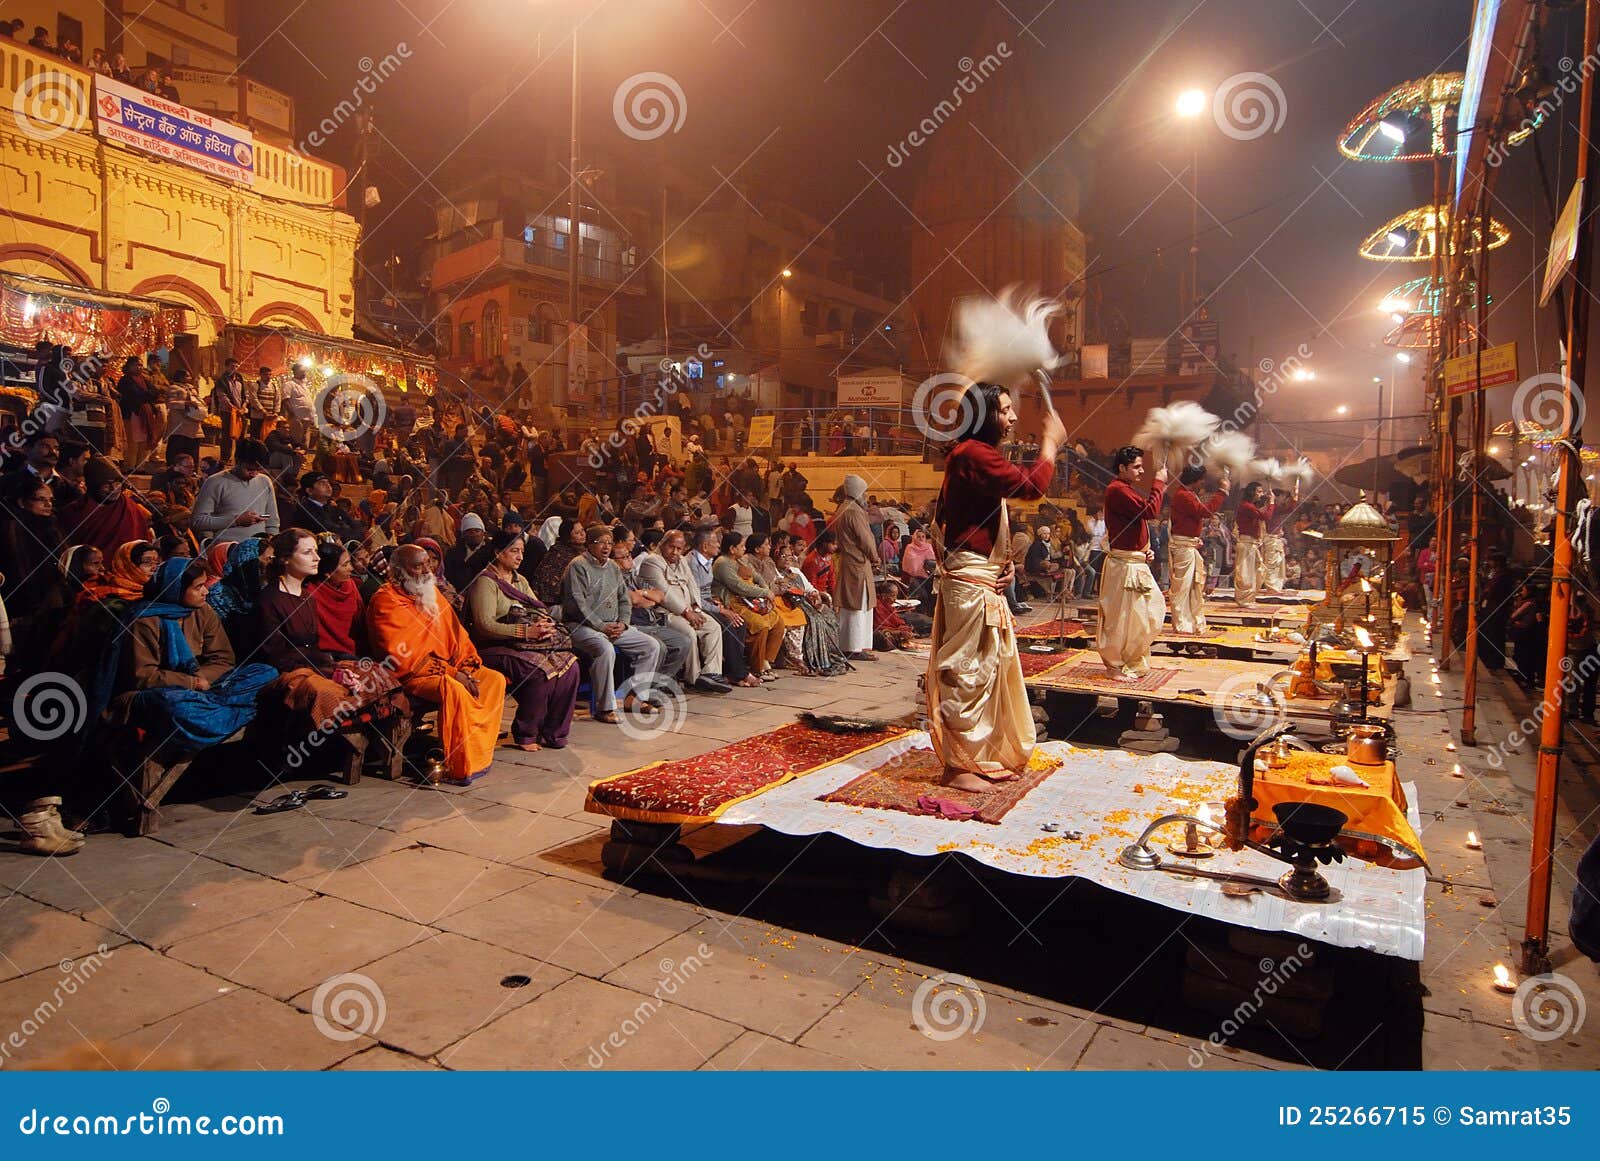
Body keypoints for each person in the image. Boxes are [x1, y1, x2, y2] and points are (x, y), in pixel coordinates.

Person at [929, 381, 1062, 790]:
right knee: (966, 671)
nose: (1013, 417)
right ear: (986, 415)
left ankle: (976, 755)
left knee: (987, 667)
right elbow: (1030, 487)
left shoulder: (972, 455)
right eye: (1005, 410)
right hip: (970, 580)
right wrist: (1051, 444)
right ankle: (957, 766)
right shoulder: (973, 453)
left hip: (977, 575)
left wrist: (1000, 566)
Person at [367, 543, 507, 784]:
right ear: (400, 571)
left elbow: (458, 636)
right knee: (454, 689)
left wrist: (465, 666)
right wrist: (454, 674)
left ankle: (479, 753)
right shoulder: (386, 600)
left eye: (428, 564)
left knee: (494, 680)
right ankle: (459, 761)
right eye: (418, 566)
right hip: (412, 676)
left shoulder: (432, 594)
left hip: (449, 668)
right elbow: (401, 656)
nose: (426, 570)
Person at [111, 557, 278, 754]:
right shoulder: (144, 621)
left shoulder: (203, 610)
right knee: (176, 706)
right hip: (159, 692)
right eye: (198, 587)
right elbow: (143, 676)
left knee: (265, 672)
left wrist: (202, 679)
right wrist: (192, 684)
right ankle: (223, 713)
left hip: (208, 685)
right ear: (175, 590)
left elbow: (223, 659)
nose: (205, 592)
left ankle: (214, 713)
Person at [465, 529, 580, 751]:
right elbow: (484, 625)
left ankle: (554, 733)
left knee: (571, 666)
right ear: (498, 553)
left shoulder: (520, 580)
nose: (520, 557)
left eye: (522, 551)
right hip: (492, 646)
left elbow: (538, 609)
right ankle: (527, 733)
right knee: (539, 671)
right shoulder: (486, 582)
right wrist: (526, 632)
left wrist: (544, 626)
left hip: (524, 643)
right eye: (514, 551)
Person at [561, 524, 666, 722]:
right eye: (601, 542)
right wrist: (601, 626)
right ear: (590, 545)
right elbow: (578, 603)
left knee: (651, 645)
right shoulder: (578, 565)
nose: (606, 547)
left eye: (609, 543)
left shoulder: (612, 567)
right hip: (580, 625)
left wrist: (624, 623)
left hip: (614, 626)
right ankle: (605, 707)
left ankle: (635, 697)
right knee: (605, 649)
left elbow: (624, 599)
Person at [1096, 445, 1168, 680]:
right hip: (1123, 565)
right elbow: (1150, 511)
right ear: (1122, 468)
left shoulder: (1126, 489)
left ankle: (1130, 659)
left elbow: (1138, 523)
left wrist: (1143, 552)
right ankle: (1114, 666)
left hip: (1133, 562)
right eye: (1136, 466)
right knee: (1121, 618)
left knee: (1144, 615)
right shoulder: (1117, 490)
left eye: (1142, 466)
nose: (1141, 470)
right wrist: (1159, 483)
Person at [712, 532, 785, 681]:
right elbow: (738, 586)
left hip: (753, 601)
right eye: (741, 546)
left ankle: (766, 661)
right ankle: (756, 668)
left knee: (778, 622)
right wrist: (764, 592)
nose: (744, 548)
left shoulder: (742, 561)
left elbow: (758, 577)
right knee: (760, 625)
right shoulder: (723, 563)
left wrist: (766, 591)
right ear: (732, 548)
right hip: (734, 603)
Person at [1168, 462, 1228, 634]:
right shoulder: (1183, 495)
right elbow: (1206, 512)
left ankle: (1191, 621)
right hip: (1183, 547)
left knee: (1193, 586)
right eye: (1201, 481)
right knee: (1183, 587)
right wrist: (1222, 492)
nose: (1203, 484)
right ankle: (1181, 623)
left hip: (1189, 544)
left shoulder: (1188, 494)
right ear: (1194, 480)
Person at [57, 455, 153, 559]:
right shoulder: (73, 512)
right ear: (93, 487)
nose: (113, 489)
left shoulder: (130, 508)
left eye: (117, 484)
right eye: (106, 486)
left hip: (127, 570)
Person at [831, 475, 881, 662]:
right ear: (857, 492)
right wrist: (875, 557)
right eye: (864, 492)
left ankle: (853, 646)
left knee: (852, 606)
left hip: (849, 562)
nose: (866, 496)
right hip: (858, 563)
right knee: (857, 606)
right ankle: (854, 648)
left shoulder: (843, 508)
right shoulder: (854, 511)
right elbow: (866, 539)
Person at [191, 439, 279, 543]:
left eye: (258, 470)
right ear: (237, 461)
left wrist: (271, 538)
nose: (254, 474)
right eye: (249, 469)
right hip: (225, 551)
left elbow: (272, 520)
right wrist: (236, 521)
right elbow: (198, 521)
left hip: (258, 551)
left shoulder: (265, 481)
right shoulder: (215, 482)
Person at [1233, 482, 1272, 605]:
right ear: (1252, 492)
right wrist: (1272, 503)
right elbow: (1265, 516)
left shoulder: (1250, 506)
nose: (1261, 494)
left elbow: (1260, 513)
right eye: (1259, 491)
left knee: (1258, 571)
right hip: (1246, 543)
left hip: (1251, 543)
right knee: (1246, 574)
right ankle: (1244, 600)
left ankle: (1249, 598)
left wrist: (1267, 503)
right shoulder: (1246, 506)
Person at [443, 512, 488, 590]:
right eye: (470, 532)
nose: (474, 534)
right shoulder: (453, 552)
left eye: (477, 531)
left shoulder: (491, 551)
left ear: (483, 533)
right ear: (463, 534)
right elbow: (448, 576)